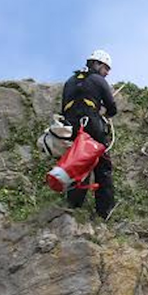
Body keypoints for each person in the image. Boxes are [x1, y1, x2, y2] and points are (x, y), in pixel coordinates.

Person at [61, 49, 118, 219]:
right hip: (92, 126)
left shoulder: (70, 81)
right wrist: (102, 113)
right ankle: (105, 212)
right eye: (106, 68)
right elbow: (112, 108)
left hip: (71, 128)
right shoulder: (98, 80)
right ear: (97, 64)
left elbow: (63, 108)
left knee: (78, 164)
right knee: (103, 167)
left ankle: (74, 205)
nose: (107, 73)